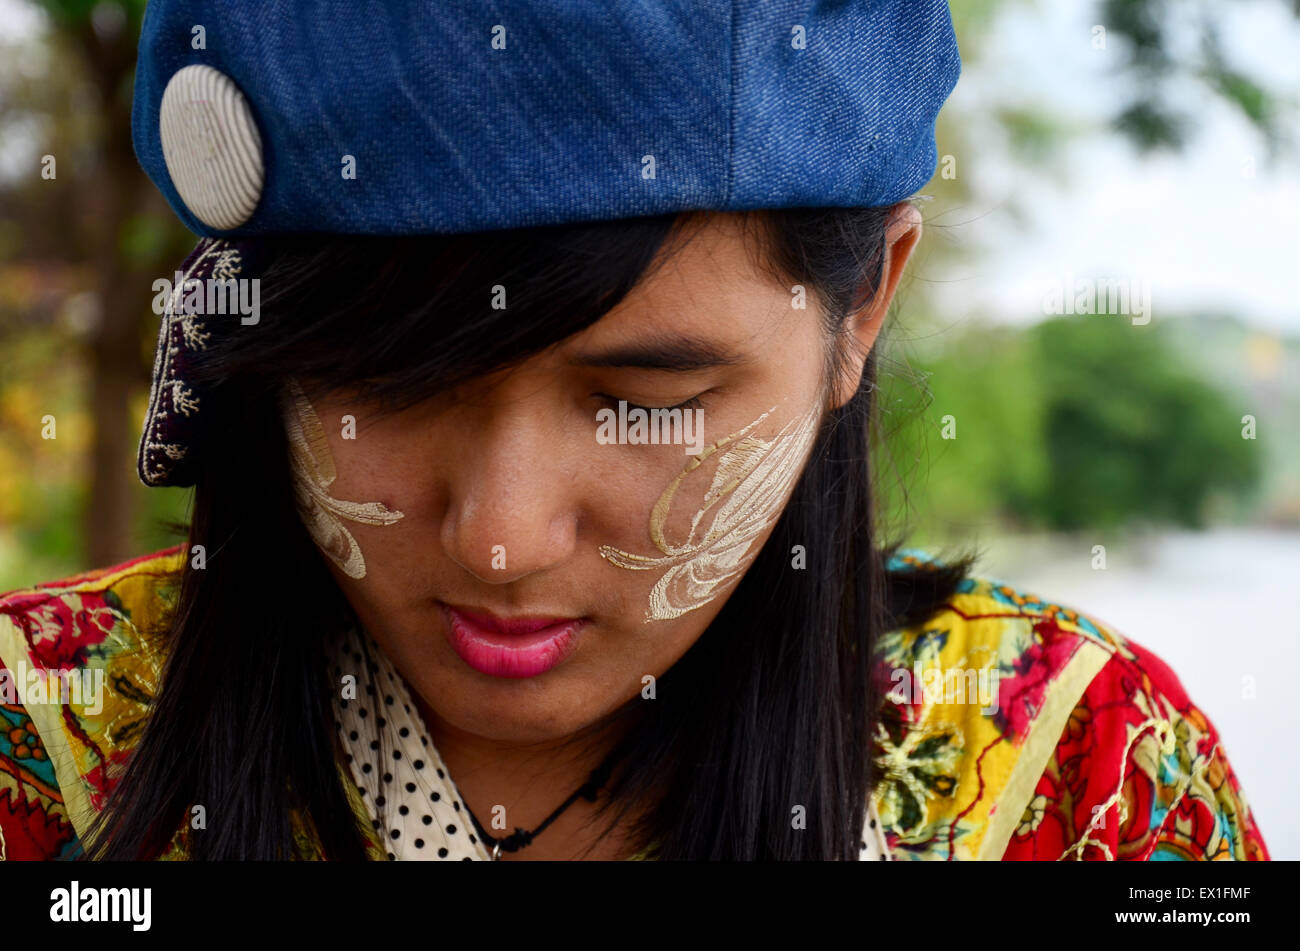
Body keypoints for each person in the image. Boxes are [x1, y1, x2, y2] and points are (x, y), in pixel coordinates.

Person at [0, 0, 1269, 862]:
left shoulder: (1084, 777)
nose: (501, 539)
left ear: (861, 309)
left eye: (645, 400)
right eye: (387, 378)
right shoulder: (34, 737)